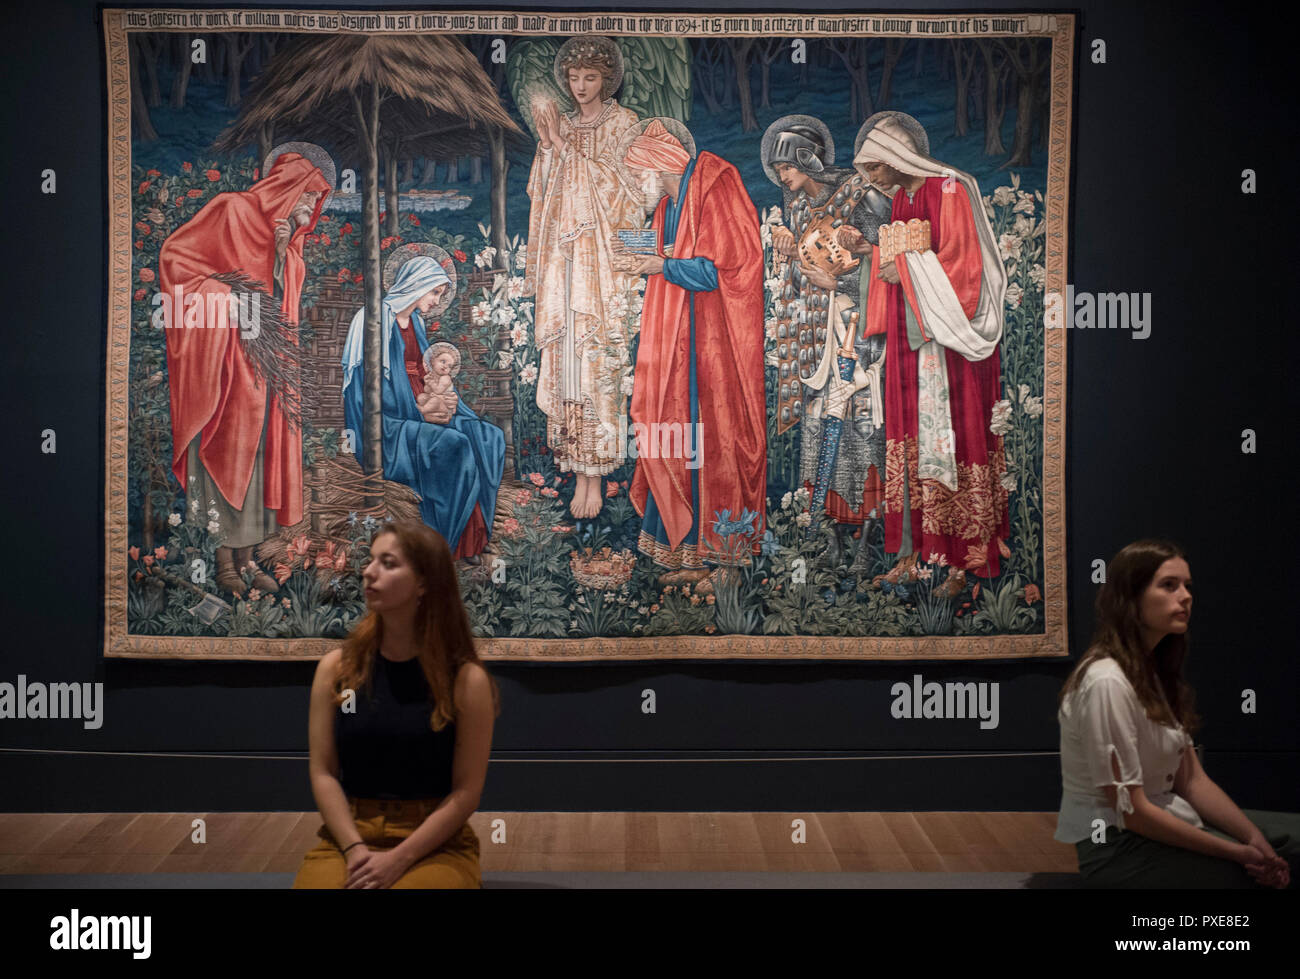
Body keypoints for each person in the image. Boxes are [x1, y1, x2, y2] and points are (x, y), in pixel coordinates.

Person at [1055, 539, 1297, 888]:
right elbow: (1131, 812)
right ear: (1131, 597)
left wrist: (1254, 839)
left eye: (1187, 586)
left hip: (1165, 821)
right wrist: (1238, 854)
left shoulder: (1149, 672)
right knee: (1250, 876)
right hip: (1117, 848)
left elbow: (1192, 781)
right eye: (1169, 585)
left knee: (1289, 842)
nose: (1185, 596)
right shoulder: (1106, 681)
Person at [159, 151, 331, 597]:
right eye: (309, 197)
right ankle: (224, 565)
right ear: (287, 189)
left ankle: (249, 560)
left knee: (259, 461)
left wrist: (281, 255)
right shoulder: (231, 209)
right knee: (226, 451)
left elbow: (280, 299)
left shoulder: (287, 240)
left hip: (264, 367)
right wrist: (223, 298)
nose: (313, 208)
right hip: (221, 361)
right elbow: (175, 263)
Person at [853, 114, 1010, 598]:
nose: (872, 178)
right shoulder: (902, 199)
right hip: (912, 341)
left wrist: (904, 270)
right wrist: (871, 254)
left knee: (954, 440)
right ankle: (915, 555)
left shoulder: (950, 190)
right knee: (912, 443)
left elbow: (964, 268)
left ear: (898, 156)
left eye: (875, 167)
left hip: (949, 344)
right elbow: (901, 262)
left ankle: (964, 563)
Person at [293, 520, 499, 889]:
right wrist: (355, 850)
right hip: (350, 836)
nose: (368, 572)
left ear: (424, 583)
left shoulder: (467, 681)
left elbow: (466, 792)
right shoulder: (337, 670)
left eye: (388, 563)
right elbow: (323, 772)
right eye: (371, 560)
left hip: (435, 843)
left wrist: (398, 859)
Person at [613, 120, 766, 586]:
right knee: (678, 437)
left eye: (639, 171)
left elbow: (726, 269)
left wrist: (660, 265)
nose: (637, 181)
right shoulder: (668, 204)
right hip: (680, 348)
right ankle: (689, 556)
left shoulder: (717, 186)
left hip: (716, 345)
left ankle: (728, 562)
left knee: (717, 442)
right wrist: (624, 246)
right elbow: (667, 246)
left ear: (660, 163)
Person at [763, 117, 892, 570]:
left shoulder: (862, 196)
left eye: (786, 166)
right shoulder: (798, 208)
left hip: (859, 334)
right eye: (778, 168)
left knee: (862, 433)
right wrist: (784, 250)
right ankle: (833, 538)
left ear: (807, 159)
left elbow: (888, 265)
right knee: (819, 431)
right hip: (817, 337)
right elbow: (802, 273)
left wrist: (841, 283)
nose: (782, 175)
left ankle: (867, 543)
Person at [523, 35, 642, 519]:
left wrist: (562, 148)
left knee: (598, 366)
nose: (580, 87)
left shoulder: (624, 125)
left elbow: (631, 195)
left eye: (590, 78)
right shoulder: (564, 126)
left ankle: (598, 474)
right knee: (568, 365)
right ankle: (577, 472)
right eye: (573, 78)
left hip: (603, 270)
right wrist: (549, 147)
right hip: (565, 264)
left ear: (606, 80)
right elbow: (542, 195)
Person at [341, 257, 504, 565]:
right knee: (455, 444)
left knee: (487, 435)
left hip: (420, 406)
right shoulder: (372, 318)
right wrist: (421, 412)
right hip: (387, 423)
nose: (436, 301)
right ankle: (445, 545)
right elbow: (366, 389)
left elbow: (425, 372)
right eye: (434, 292)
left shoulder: (415, 322)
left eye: (440, 294)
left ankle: (473, 541)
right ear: (417, 285)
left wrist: (446, 401)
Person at [417, 342, 462, 426]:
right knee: (421, 397)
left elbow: (438, 391)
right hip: (434, 402)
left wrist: (430, 382)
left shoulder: (446, 378)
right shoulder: (431, 375)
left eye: (449, 366)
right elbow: (427, 391)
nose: (445, 366)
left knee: (435, 400)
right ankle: (429, 413)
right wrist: (427, 383)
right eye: (443, 361)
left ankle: (423, 410)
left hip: (444, 404)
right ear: (433, 361)